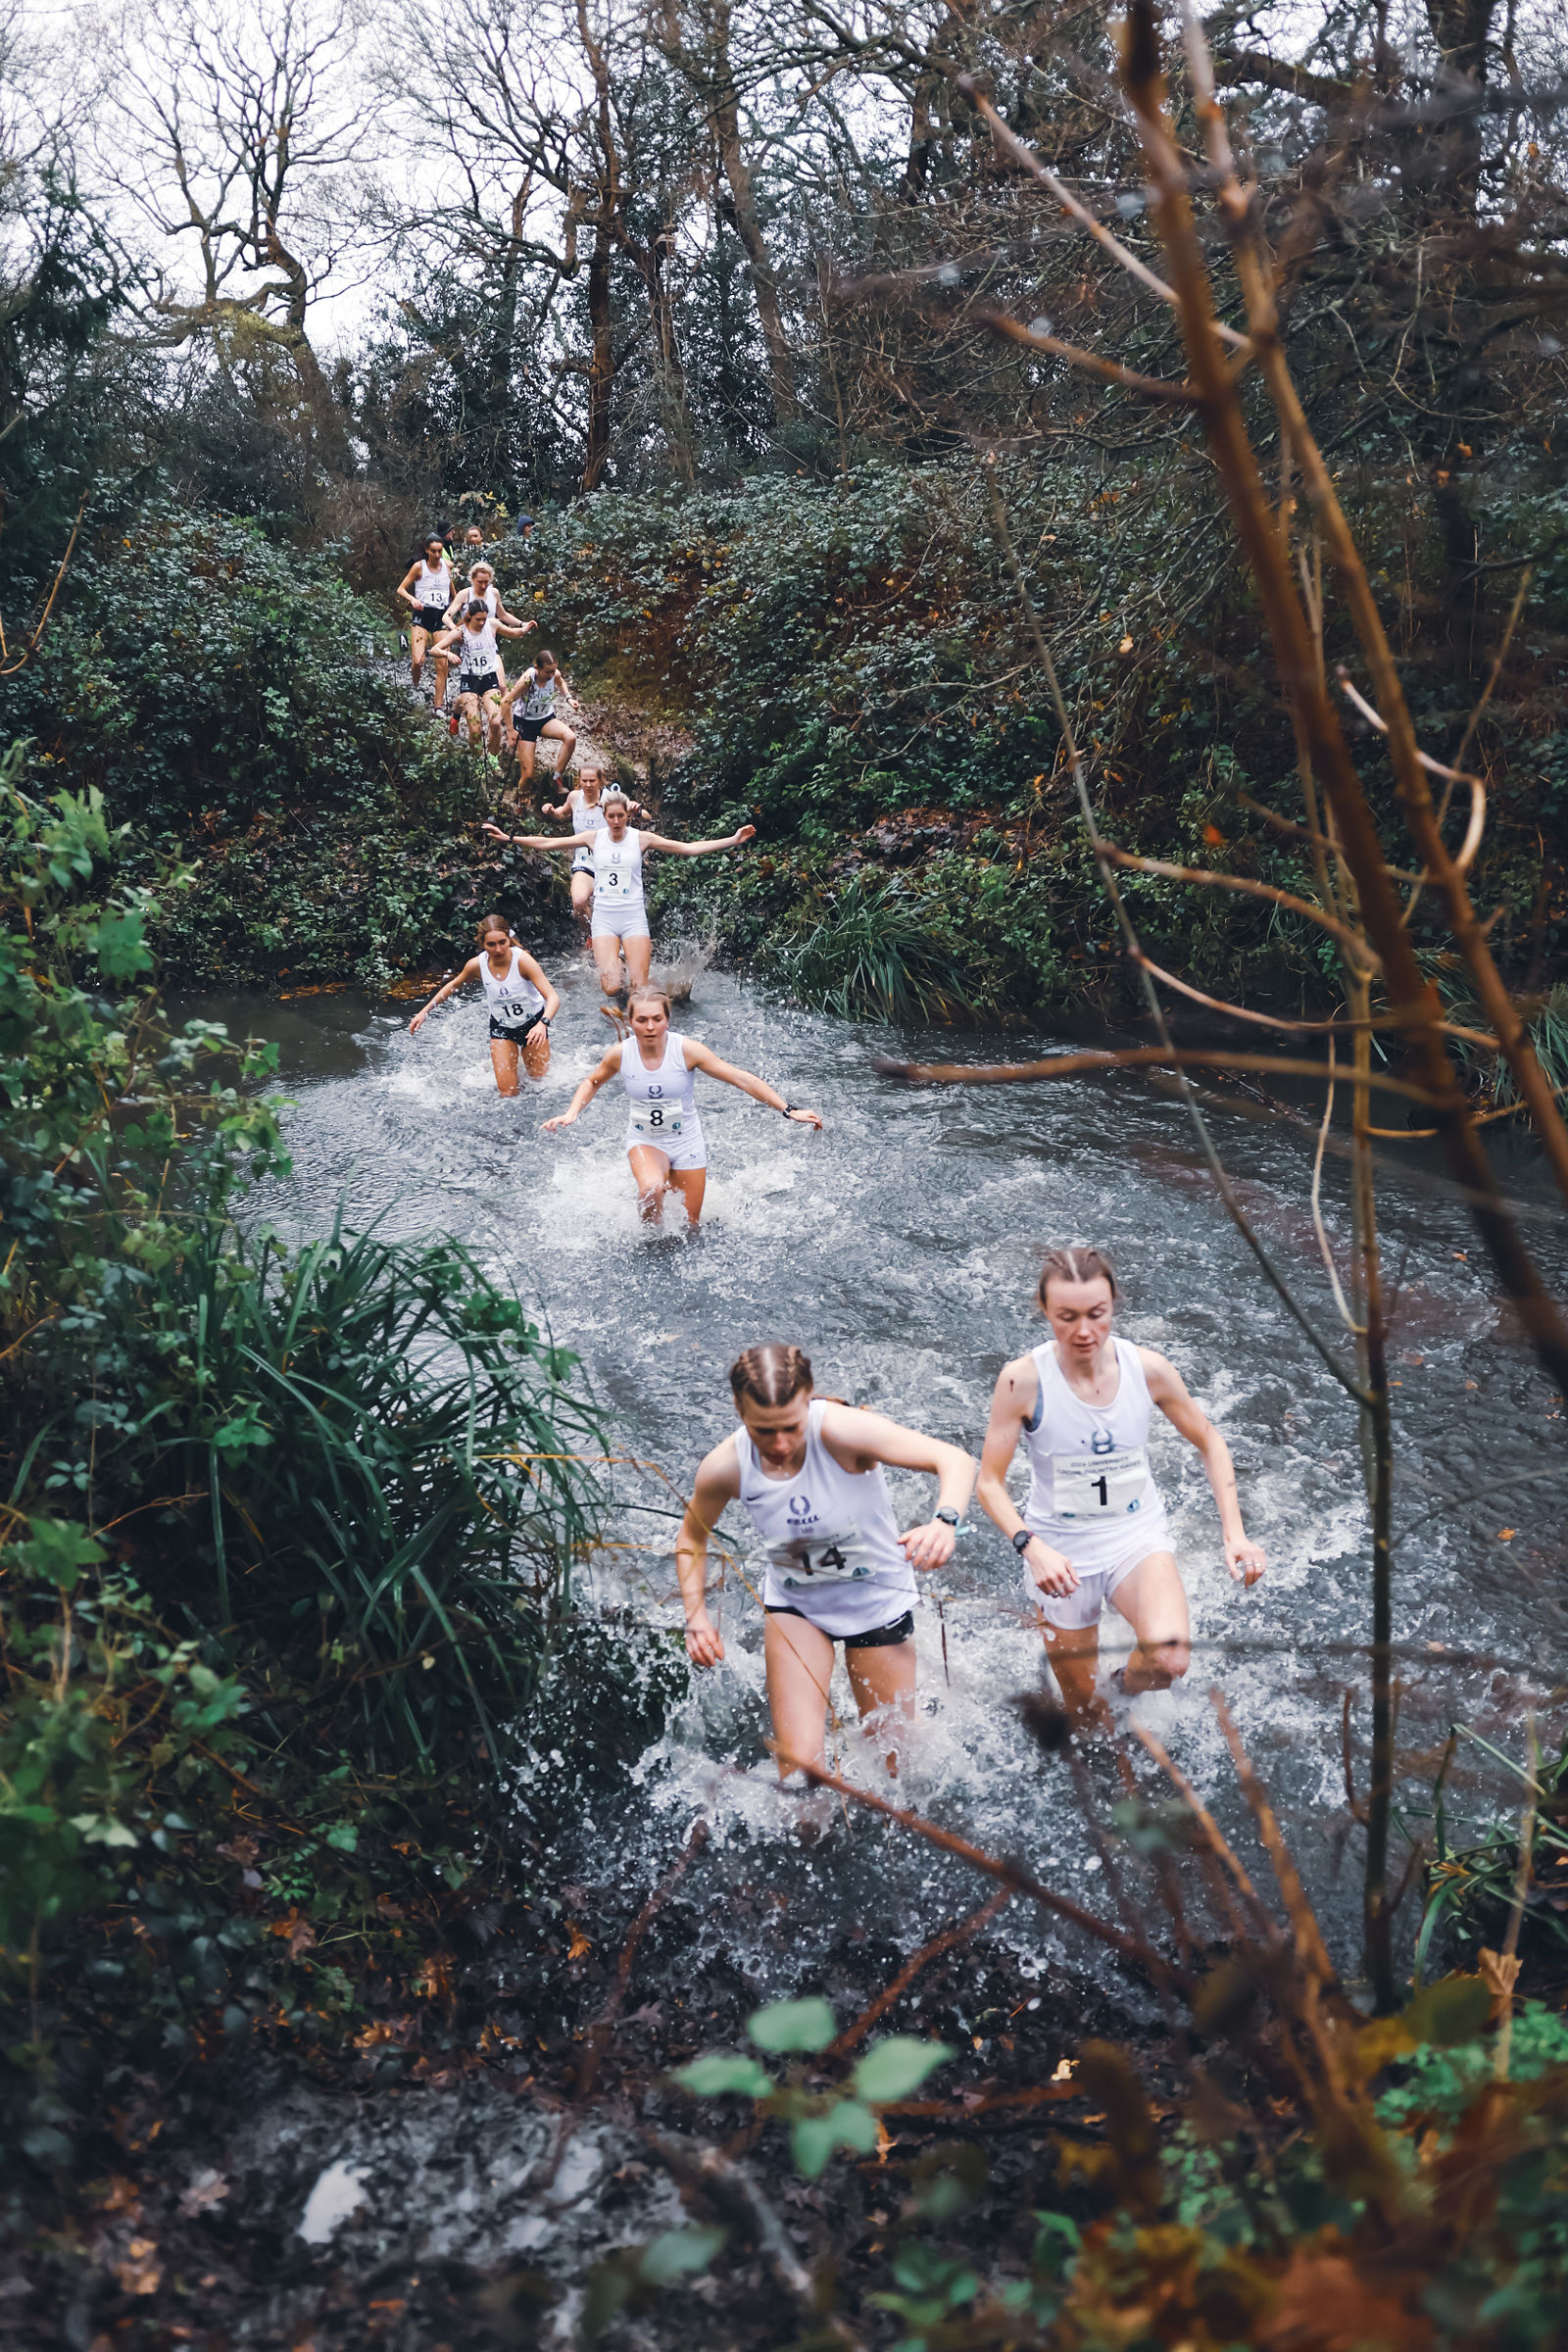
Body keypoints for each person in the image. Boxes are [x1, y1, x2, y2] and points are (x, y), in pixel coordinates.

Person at [976, 1246, 1266, 1730]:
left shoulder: (1146, 1368)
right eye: (1067, 1317)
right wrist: (1031, 1547)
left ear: (1114, 1306)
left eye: (1097, 1314)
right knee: (1085, 1716)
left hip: (1136, 1537)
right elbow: (988, 1482)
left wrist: (1234, 1533)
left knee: (1168, 1661)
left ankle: (1123, 1685)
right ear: (1044, 1311)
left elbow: (1210, 1441)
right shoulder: (1022, 1382)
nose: (1084, 1331)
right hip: (1061, 1555)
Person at [675, 1344, 976, 1784]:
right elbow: (691, 1537)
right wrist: (696, 1617)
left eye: (791, 1427)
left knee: (895, 1772)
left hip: (876, 1604)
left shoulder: (842, 1432)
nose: (779, 1444)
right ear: (739, 1410)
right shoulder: (725, 1467)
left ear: (809, 1399)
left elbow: (954, 1459)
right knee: (800, 1781)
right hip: (798, 1608)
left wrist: (944, 1521)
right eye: (764, 1431)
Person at [541, 982, 820, 1228]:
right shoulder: (620, 1054)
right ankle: (648, 1251)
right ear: (630, 1020)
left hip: (687, 1142)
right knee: (650, 1190)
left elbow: (740, 1079)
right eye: (642, 1020)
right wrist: (572, 1112)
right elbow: (592, 1081)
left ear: (667, 1019)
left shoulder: (686, 1050)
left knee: (689, 1229)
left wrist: (788, 1110)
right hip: (645, 1141)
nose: (650, 1027)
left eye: (656, 1019)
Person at [484, 788, 756, 998]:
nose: (615, 821)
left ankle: (645, 990)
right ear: (604, 817)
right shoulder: (594, 837)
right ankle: (620, 965)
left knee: (639, 988)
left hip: (633, 916)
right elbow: (548, 843)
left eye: (620, 816)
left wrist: (733, 839)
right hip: (604, 918)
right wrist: (509, 838)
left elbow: (688, 847)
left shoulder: (641, 838)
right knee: (612, 988)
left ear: (627, 815)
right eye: (611, 816)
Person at [406, 911, 559, 1095]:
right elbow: (454, 985)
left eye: (502, 942)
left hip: (534, 1026)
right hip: (502, 1027)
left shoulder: (523, 961)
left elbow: (553, 997)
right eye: (491, 945)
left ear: (508, 939)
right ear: (482, 944)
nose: (498, 949)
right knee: (508, 1093)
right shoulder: (476, 965)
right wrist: (424, 1012)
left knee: (539, 1086)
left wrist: (543, 1024)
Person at [537, 763, 651, 933]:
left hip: (611, 862)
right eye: (584, 781)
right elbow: (563, 813)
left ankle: (617, 936)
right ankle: (592, 937)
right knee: (578, 902)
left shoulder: (612, 798)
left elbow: (646, 818)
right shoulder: (574, 797)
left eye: (592, 781)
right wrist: (551, 811)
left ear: (600, 781)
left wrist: (637, 810)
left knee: (609, 908)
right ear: (579, 781)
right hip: (585, 862)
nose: (588, 785)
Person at [433, 600, 532, 754]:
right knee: (475, 729)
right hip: (469, 681)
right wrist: (447, 653)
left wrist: (525, 629)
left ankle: (492, 758)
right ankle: (476, 760)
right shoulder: (460, 632)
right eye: (478, 619)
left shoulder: (492, 624)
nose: (481, 623)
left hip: (489, 678)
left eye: (484, 619)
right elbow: (434, 650)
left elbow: (513, 633)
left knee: (495, 723)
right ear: (469, 617)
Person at [499, 650, 577, 787]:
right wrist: (510, 730)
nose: (551, 675)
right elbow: (506, 702)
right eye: (548, 672)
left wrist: (568, 698)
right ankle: (521, 801)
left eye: (553, 670)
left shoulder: (555, 674)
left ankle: (557, 777)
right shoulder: (528, 680)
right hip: (525, 724)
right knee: (528, 775)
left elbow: (560, 682)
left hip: (545, 719)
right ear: (537, 668)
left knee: (570, 738)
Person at [396, 537, 456, 704]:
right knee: (418, 660)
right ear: (427, 551)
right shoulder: (419, 567)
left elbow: (452, 591)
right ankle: (415, 685)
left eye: (439, 551)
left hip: (441, 615)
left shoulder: (448, 566)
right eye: (433, 551)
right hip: (422, 614)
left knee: (442, 663)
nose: (437, 555)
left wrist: (456, 609)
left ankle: (438, 706)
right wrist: (412, 599)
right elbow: (400, 589)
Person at [444, 558, 532, 641]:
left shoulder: (494, 593)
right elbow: (446, 617)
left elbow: (503, 615)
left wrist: (522, 624)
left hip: (489, 640)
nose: (483, 586)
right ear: (473, 579)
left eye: (486, 582)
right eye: (480, 582)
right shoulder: (465, 594)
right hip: (469, 639)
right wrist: (456, 630)